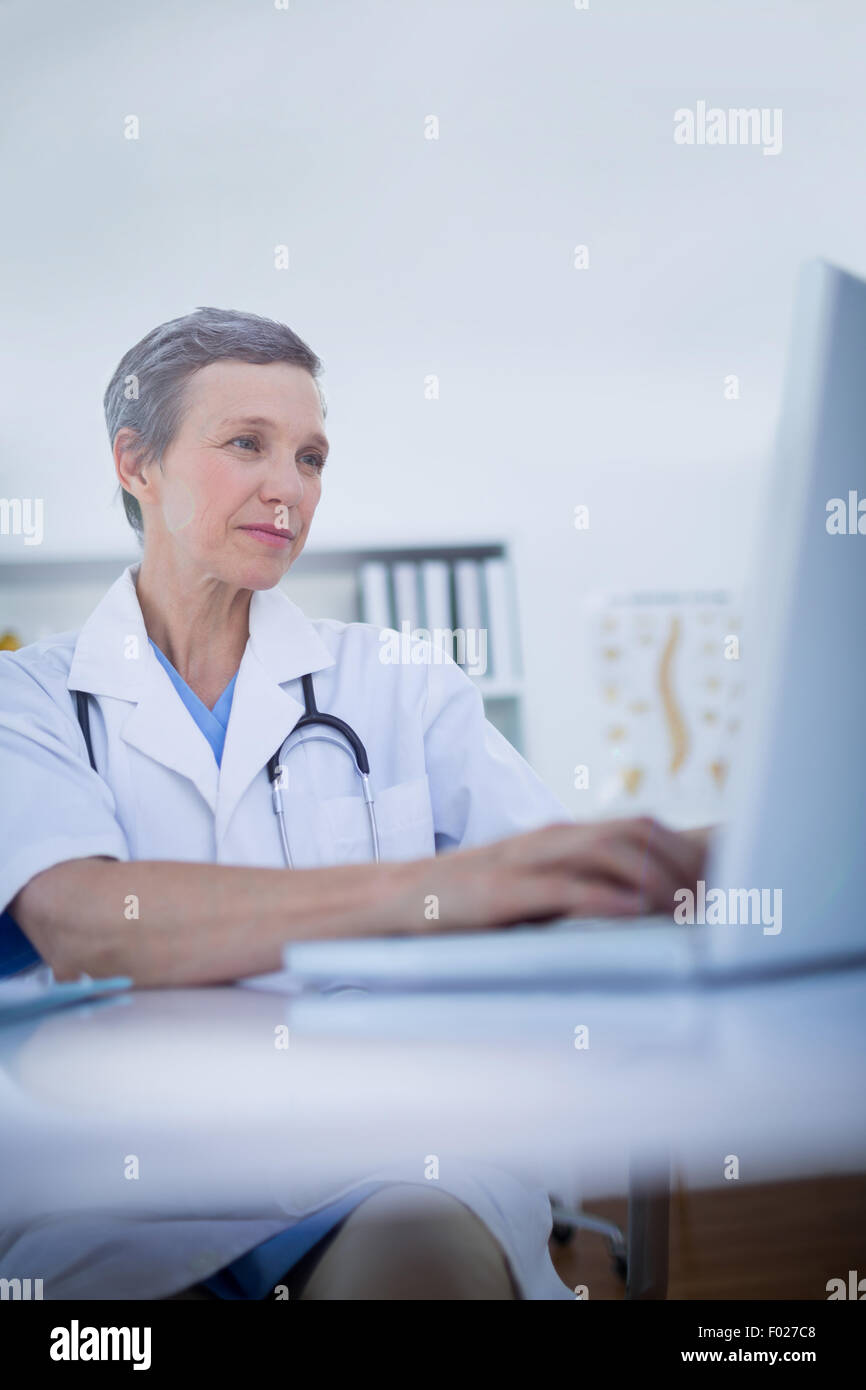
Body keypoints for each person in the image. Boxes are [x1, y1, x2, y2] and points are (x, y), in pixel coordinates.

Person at [0, 306, 708, 1299]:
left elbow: (559, 875)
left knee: (419, 1269)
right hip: (117, 1183)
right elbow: (87, 920)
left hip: (383, 1151)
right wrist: (433, 889)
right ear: (136, 462)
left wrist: (718, 854)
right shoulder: (29, 701)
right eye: (246, 444)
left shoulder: (398, 683)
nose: (287, 487)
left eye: (311, 457)